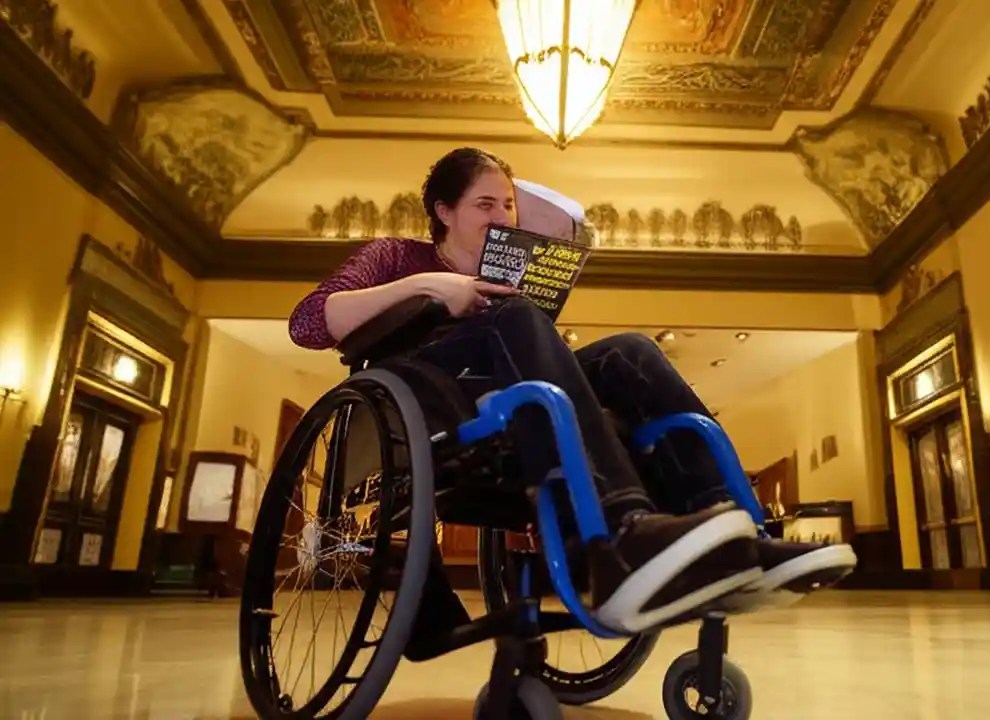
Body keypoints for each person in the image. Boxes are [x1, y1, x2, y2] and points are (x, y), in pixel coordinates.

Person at [288, 147, 856, 636]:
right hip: (427, 398)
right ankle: (619, 533)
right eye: (485, 204)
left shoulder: (510, 274)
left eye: (507, 204)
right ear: (444, 211)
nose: (501, 214)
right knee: (515, 320)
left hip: (506, 394)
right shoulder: (396, 256)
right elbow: (310, 323)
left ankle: (731, 528)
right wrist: (433, 286)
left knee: (630, 351)